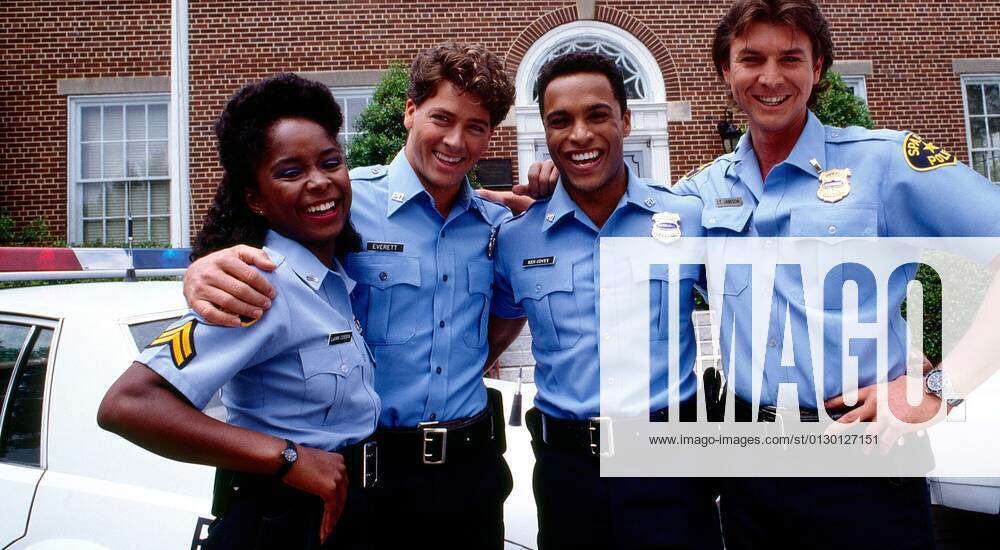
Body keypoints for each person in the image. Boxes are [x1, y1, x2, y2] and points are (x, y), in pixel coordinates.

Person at [521, 0, 1000, 548]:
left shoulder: (885, 164)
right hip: (748, 462)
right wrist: (550, 194)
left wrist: (938, 385)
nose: (770, 77)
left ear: (817, 67)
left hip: (861, 456)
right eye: (750, 58)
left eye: (789, 58)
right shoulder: (698, 195)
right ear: (726, 71)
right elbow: (615, 226)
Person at [181, 44, 525, 550]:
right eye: (441, 118)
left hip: (470, 471)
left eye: (476, 126)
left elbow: (504, 311)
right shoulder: (340, 201)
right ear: (410, 111)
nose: (456, 140)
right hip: (368, 471)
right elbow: (252, 240)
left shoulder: (498, 224)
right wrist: (200, 267)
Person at [97, 73, 380, 549]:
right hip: (280, 515)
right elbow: (128, 404)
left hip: (346, 503)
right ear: (255, 199)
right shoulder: (260, 282)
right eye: (290, 172)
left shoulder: (329, 277)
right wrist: (286, 457)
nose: (319, 182)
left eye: (331, 162)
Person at [490, 51, 722, 549]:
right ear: (545, 131)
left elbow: (748, 309)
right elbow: (498, 323)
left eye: (597, 115)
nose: (579, 135)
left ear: (626, 119)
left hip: (671, 463)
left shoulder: (688, 220)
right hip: (566, 472)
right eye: (560, 121)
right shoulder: (516, 239)